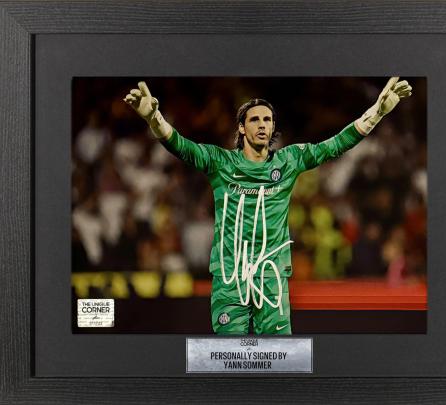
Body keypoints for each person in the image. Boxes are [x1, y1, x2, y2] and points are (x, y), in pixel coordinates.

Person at [124, 77, 412, 335]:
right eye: (255, 120)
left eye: (268, 120)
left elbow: (336, 144)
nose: (262, 125)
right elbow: (181, 146)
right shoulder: (221, 163)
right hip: (230, 277)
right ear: (241, 127)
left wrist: (376, 113)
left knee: (277, 359)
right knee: (230, 359)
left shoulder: (289, 161)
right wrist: (154, 119)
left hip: (271, 277)